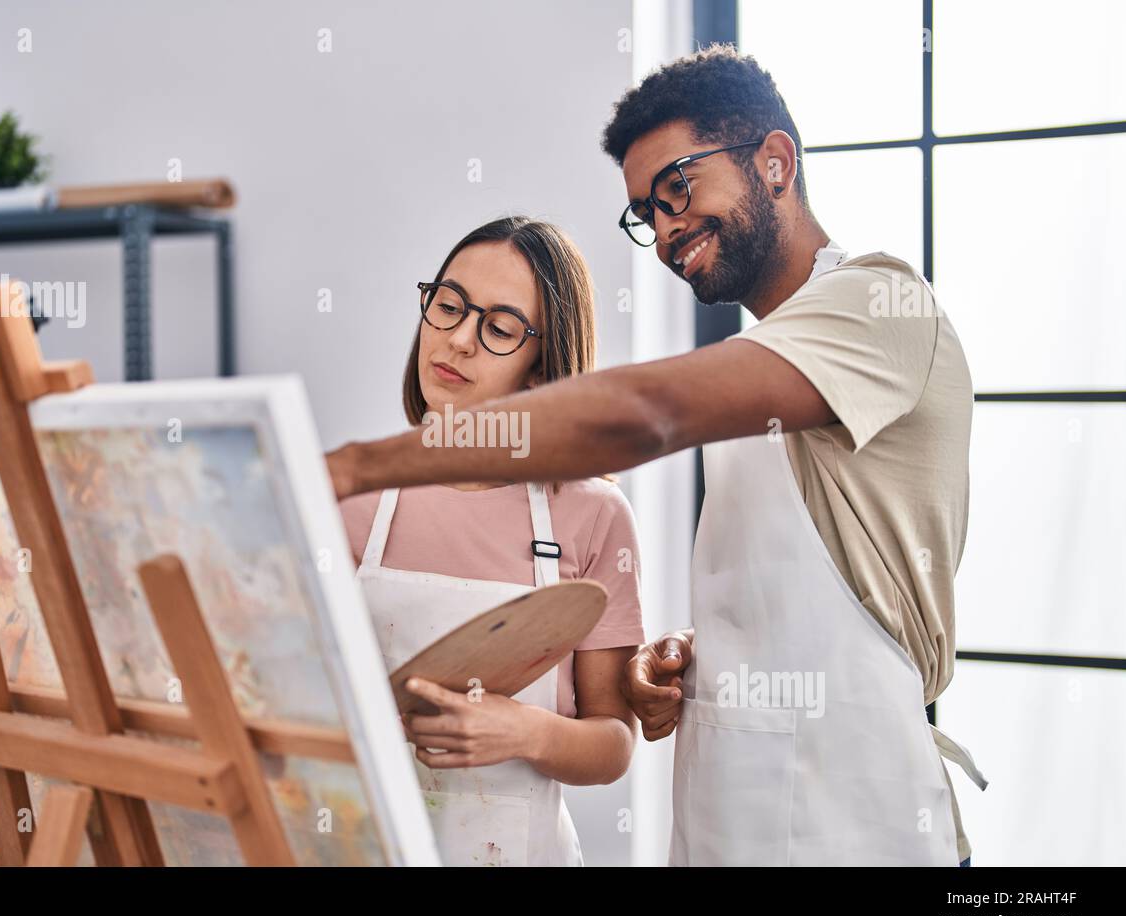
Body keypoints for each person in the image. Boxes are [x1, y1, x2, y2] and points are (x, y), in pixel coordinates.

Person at [328, 46, 986, 866]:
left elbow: (648, 412)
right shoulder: (770, 356)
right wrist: (684, 664)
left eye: (678, 187)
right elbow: (802, 592)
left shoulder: (880, 307)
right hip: (725, 813)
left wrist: (363, 463)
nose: (667, 229)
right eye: (648, 210)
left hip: (862, 816)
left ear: (774, 162)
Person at [339, 216, 643, 866]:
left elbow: (614, 743)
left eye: (499, 329)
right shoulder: (355, 501)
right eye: (447, 307)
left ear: (541, 369)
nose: (456, 341)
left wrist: (526, 732)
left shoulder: (594, 515)